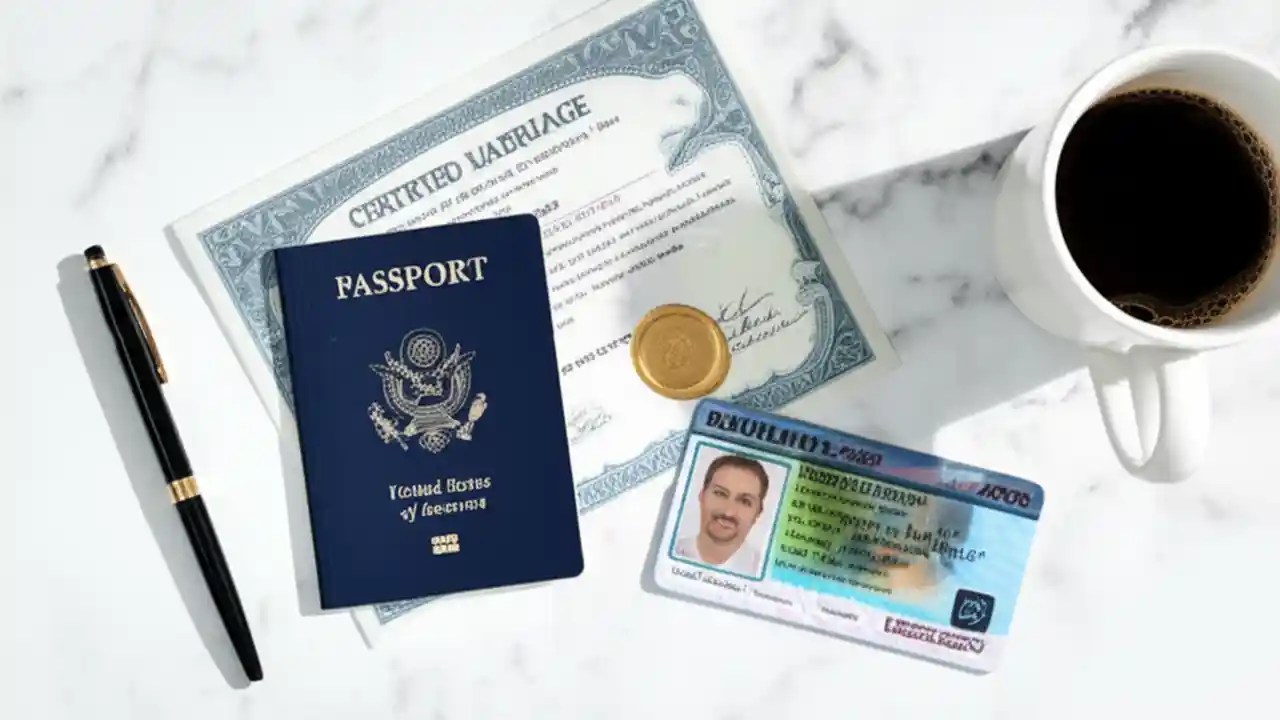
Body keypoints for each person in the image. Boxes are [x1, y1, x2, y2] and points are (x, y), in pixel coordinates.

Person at [674, 454, 770, 574]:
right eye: (720, 494)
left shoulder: (764, 572)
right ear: (702, 495)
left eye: (745, 501)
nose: (728, 512)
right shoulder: (672, 549)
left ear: (758, 513)